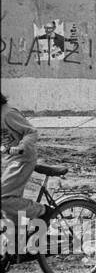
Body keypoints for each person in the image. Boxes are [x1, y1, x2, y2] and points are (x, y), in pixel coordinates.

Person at [2, 92, 46, 254]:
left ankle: (42, 211)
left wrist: (21, 146)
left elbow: (31, 132)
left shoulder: (8, 114)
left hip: (22, 159)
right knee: (10, 206)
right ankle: (14, 249)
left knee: (3, 198)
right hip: (9, 161)